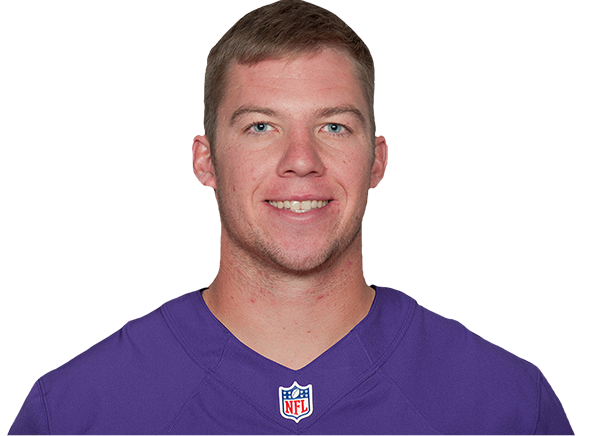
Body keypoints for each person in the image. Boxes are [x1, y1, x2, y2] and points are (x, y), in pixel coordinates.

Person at [9, 1, 572, 434]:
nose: (301, 160)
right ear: (206, 161)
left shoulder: (506, 405)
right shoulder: (81, 410)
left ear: (376, 161)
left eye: (334, 127)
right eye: (261, 126)